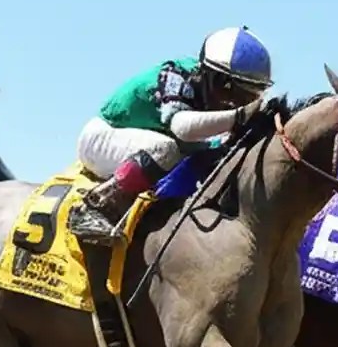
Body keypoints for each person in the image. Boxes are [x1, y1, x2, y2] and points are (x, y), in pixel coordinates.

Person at [67, 26, 274, 246]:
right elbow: (181, 128)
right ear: (208, 74)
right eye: (228, 89)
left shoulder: (211, 95)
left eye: (250, 96)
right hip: (103, 137)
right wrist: (240, 116)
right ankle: (96, 206)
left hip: (147, 141)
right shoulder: (176, 75)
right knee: (169, 149)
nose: (234, 102)